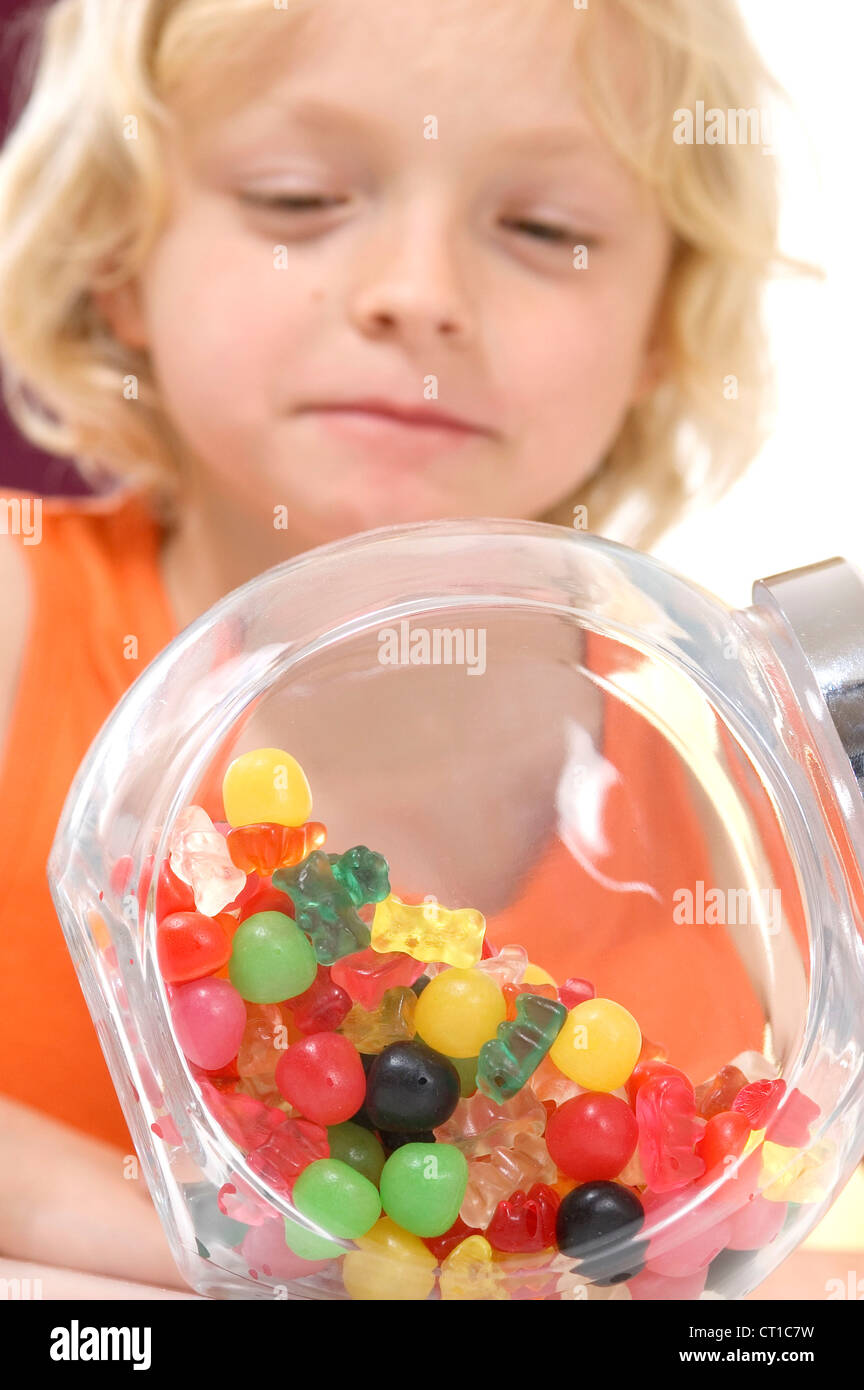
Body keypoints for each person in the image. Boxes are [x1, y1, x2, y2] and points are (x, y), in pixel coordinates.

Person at [0, 0, 825, 1297]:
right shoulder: (16, 608)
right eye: (297, 197)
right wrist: (239, 1257)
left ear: (663, 327)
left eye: (545, 229)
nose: (419, 296)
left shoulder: (751, 779)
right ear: (120, 255)